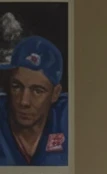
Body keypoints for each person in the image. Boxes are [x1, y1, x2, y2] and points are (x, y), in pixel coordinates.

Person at [0, 35, 69, 166]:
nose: (24, 102)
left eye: (37, 91)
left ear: (55, 93)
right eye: (17, 87)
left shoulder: (68, 117)